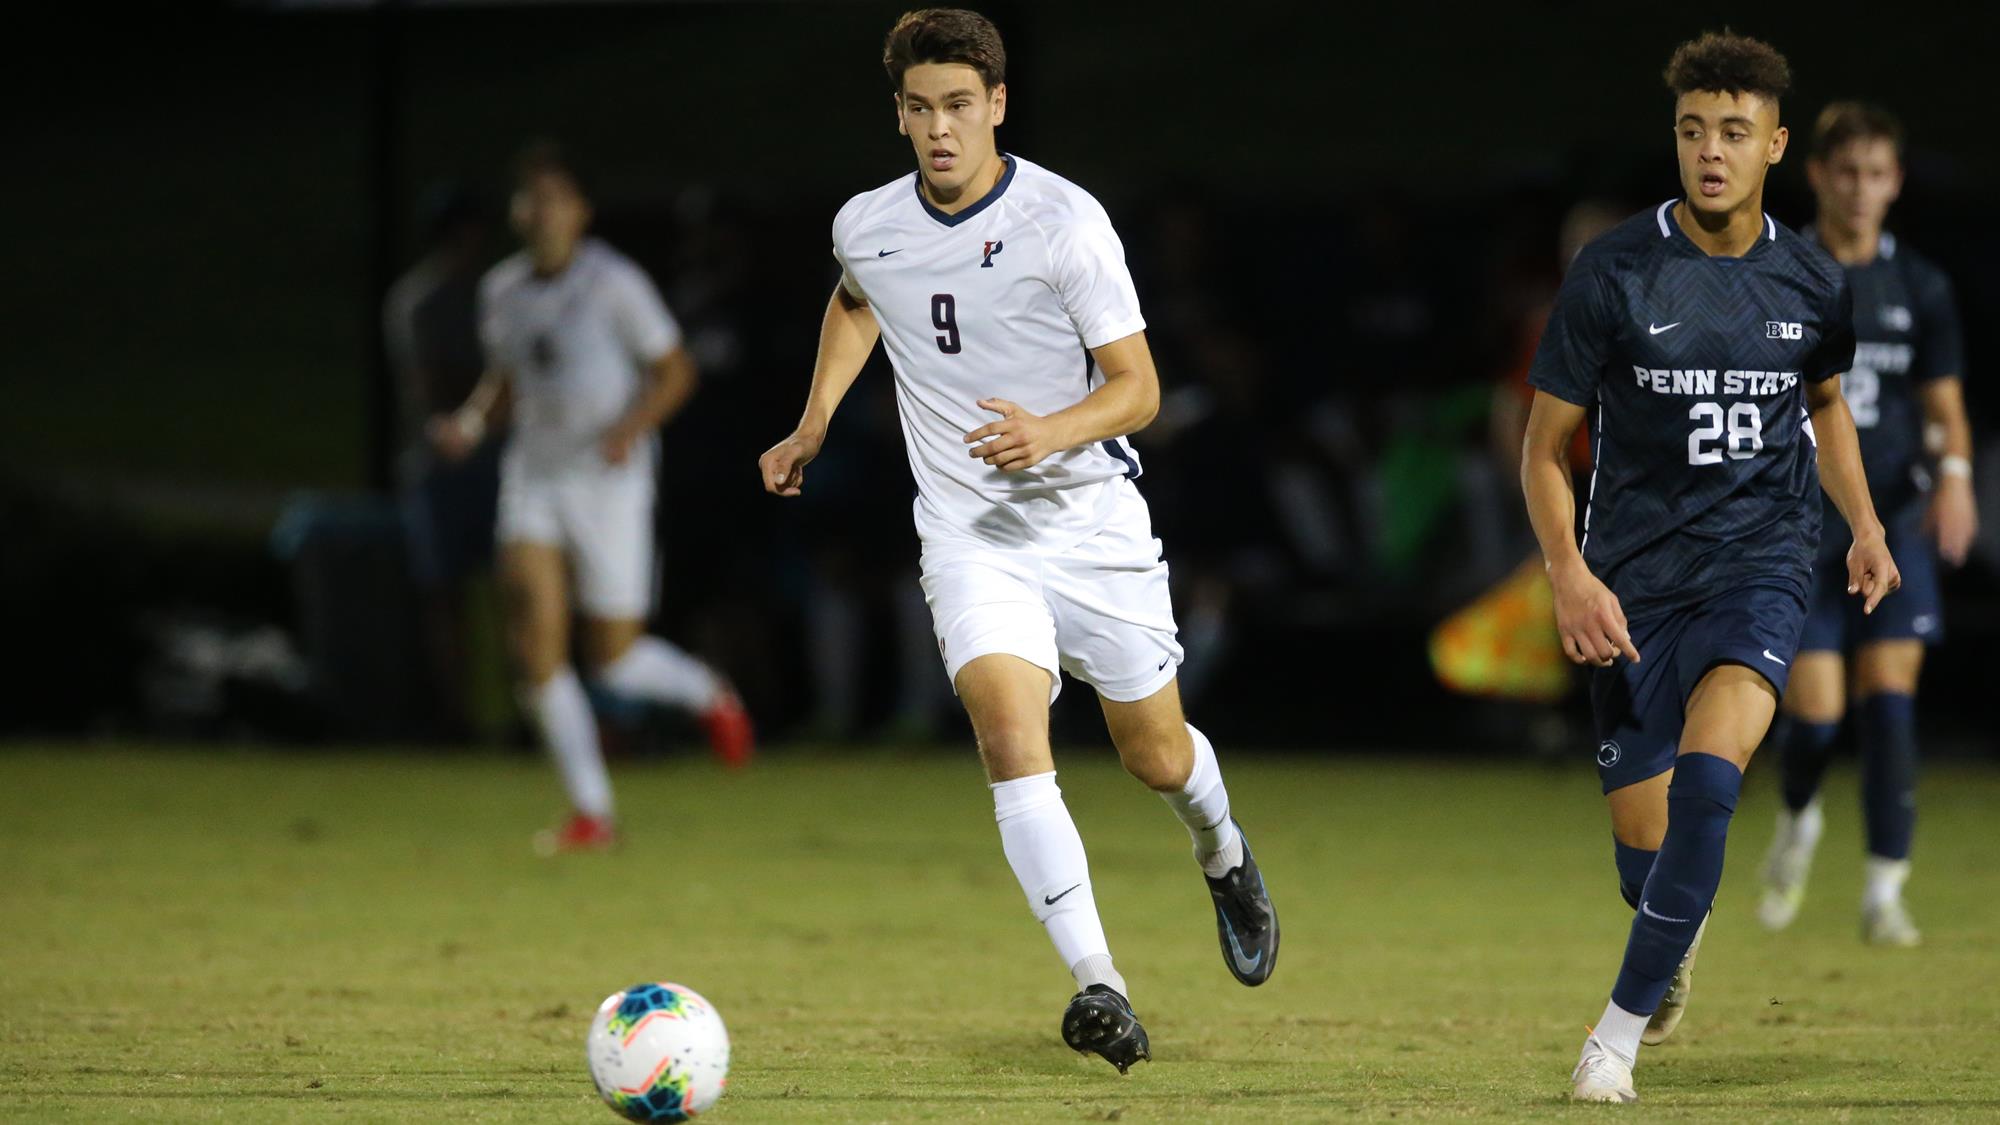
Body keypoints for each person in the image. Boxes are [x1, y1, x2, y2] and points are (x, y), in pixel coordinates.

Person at [757, 8, 1277, 1073]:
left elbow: (1138, 389)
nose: (940, 129)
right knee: (1007, 735)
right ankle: (1100, 985)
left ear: (996, 105)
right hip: (967, 536)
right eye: (919, 109)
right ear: (898, 115)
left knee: (1156, 756)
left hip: (1088, 527)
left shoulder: (1063, 223)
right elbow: (859, 301)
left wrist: (1049, 430)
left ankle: (1221, 853)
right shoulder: (867, 223)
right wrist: (813, 421)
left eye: (959, 105)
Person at [1518, 32, 1897, 1103]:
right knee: (1646, 860)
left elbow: (1823, 408)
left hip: (1761, 568)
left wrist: (1861, 527)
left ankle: (1612, 1040)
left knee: (1708, 787)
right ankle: (1663, 936)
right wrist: (1567, 575)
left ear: (1774, 145)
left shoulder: (1811, 279)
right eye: (1691, 132)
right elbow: (1542, 448)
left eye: (1733, 132)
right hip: (1631, 586)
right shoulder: (1613, 272)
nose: (1709, 152)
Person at [433, 143, 753, 854]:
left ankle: (710, 693)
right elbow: (507, 382)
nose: (541, 212)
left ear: (581, 211)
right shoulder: (503, 290)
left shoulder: (615, 283)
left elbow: (675, 372)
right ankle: (591, 810)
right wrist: (467, 422)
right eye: (530, 199)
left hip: (610, 481)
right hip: (536, 478)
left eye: (554, 198)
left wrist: (629, 428)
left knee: (613, 659)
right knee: (533, 642)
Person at [1759, 102, 1975, 946]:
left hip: (1894, 522)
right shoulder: (1781, 270)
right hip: (1800, 525)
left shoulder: (1919, 286)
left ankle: (1885, 889)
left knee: (1889, 706)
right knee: (1813, 716)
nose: (1860, 189)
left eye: (1876, 174)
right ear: (1816, 176)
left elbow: (1946, 408)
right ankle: (1798, 815)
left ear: (1896, 182)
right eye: (1845, 172)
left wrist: (1954, 478)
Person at [384, 184, 500, 742]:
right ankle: (458, 715)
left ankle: (517, 711)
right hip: (439, 457)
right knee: (444, 594)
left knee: (511, 588)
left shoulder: (495, 291)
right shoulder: (420, 298)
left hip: (495, 456)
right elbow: (432, 384)